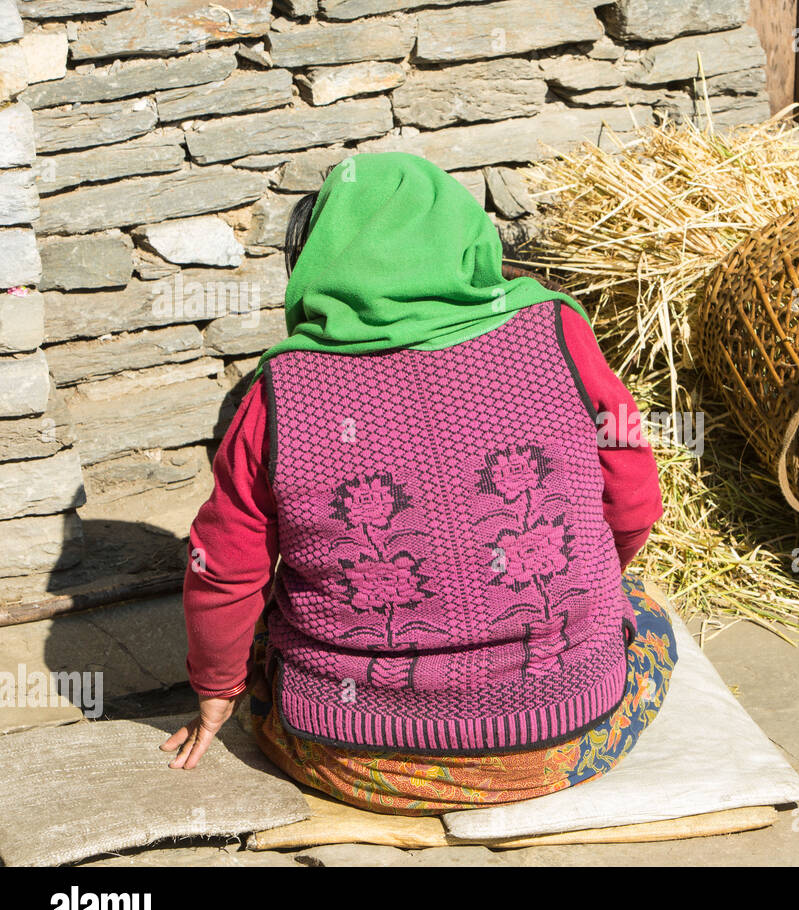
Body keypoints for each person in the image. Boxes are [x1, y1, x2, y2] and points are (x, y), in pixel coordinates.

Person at [163, 152, 674, 814]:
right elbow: (634, 504)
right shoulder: (558, 333)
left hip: (352, 756)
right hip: (567, 737)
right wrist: (596, 582)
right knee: (648, 614)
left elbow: (224, 572)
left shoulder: (277, 395)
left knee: (262, 636)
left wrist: (215, 691)